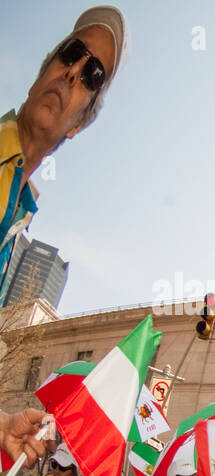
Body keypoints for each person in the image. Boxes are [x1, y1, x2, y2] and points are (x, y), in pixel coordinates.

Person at [2, 6, 127, 283]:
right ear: (36, 81)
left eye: (92, 75)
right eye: (71, 52)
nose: (73, 72)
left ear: (77, 126)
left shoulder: (20, 214)